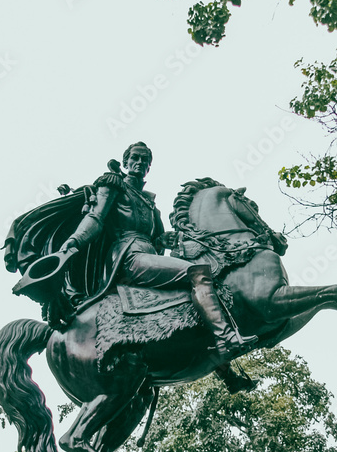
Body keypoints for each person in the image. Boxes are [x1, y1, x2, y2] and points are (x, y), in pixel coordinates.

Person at [55, 142, 257, 360]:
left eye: (145, 160)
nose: (140, 162)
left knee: (187, 300)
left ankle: (223, 369)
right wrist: (75, 239)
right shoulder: (113, 185)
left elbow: (157, 241)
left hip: (148, 257)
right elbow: (95, 218)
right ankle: (225, 338)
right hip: (128, 257)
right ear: (125, 162)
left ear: (149, 168)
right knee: (197, 273)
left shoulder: (151, 205)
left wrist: (164, 239)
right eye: (135, 158)